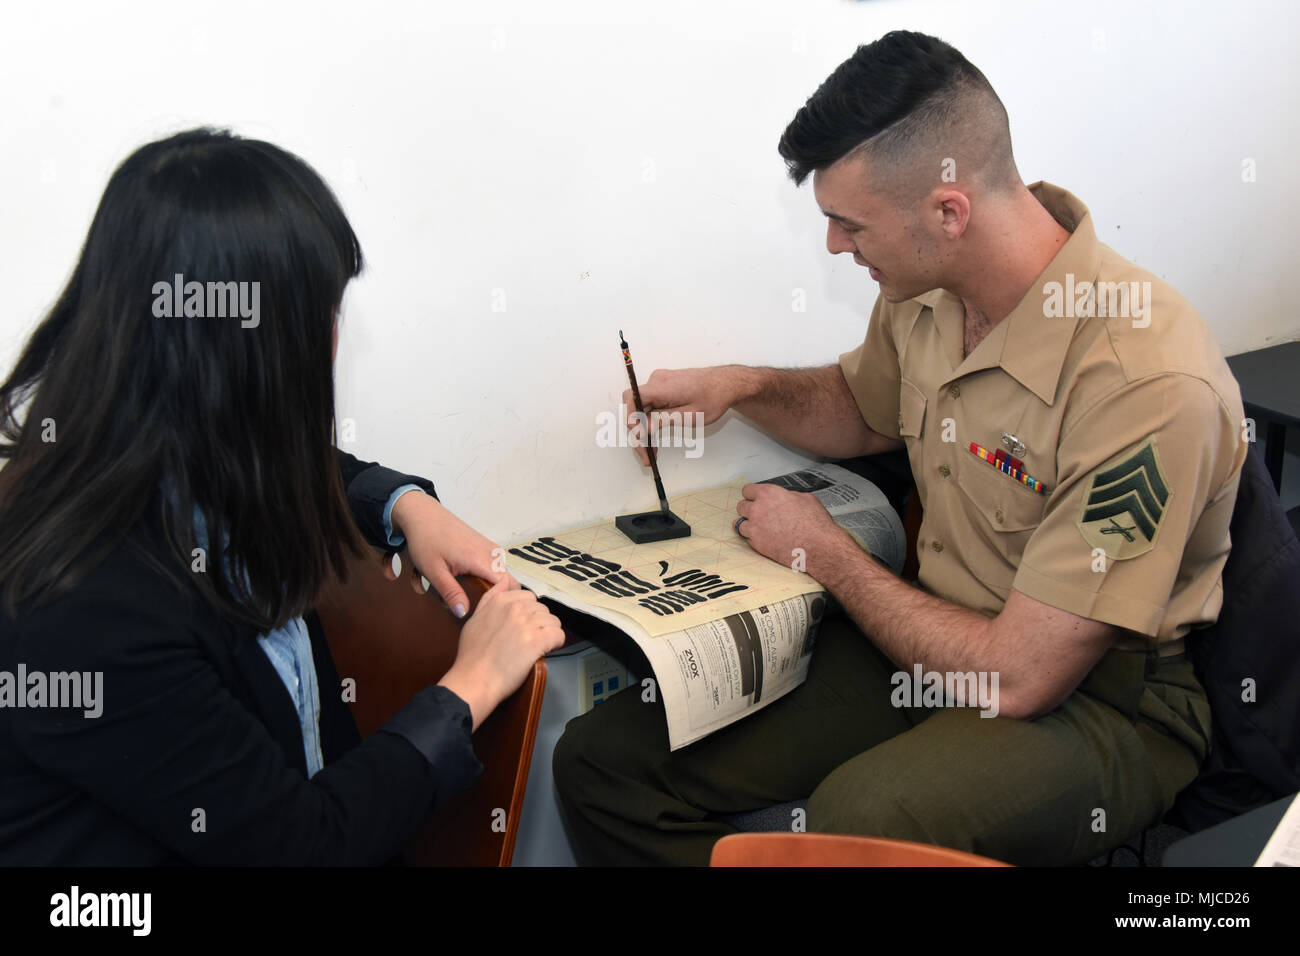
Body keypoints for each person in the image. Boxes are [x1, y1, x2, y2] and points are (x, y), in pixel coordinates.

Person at [552, 30, 1247, 866]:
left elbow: (1020, 678)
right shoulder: (930, 289)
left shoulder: (1144, 382)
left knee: (858, 823)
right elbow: (863, 407)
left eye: (850, 225)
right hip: (926, 639)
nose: (837, 248)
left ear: (947, 212)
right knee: (606, 761)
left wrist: (832, 559)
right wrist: (741, 387)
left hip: (1094, 697)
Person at [0, 128, 564, 864]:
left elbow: (283, 460)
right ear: (246, 353)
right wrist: (470, 688)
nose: (332, 341)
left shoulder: (147, 451)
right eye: (323, 315)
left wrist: (402, 506)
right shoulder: (92, 612)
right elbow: (300, 847)